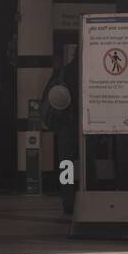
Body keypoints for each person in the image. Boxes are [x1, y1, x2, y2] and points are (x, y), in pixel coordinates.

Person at [39, 45, 80, 216]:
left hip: (64, 127)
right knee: (88, 164)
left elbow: (47, 98)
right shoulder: (92, 73)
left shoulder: (62, 72)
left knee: (66, 166)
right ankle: (91, 197)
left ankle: (67, 200)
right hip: (86, 126)